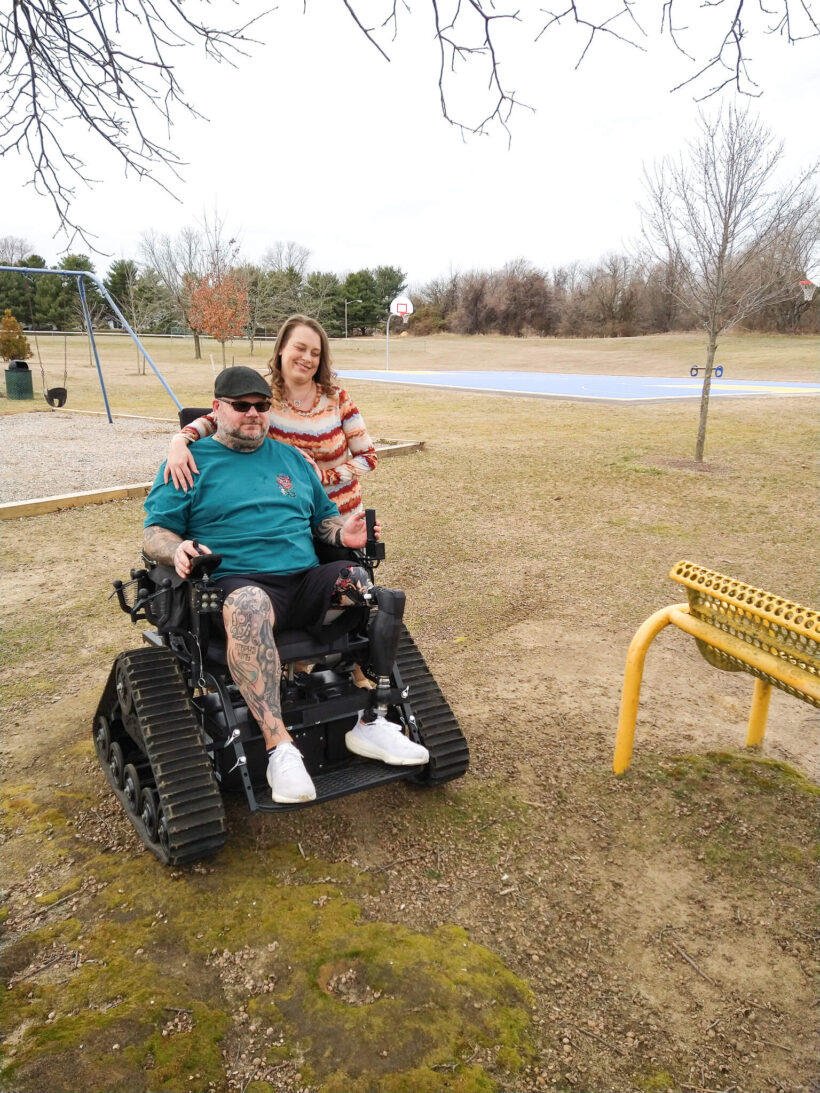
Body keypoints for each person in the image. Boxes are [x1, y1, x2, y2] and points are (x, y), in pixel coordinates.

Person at [143, 365, 428, 805]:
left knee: (362, 584)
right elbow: (154, 531)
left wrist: (343, 534)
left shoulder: (292, 460)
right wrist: (175, 548)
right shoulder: (189, 463)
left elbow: (323, 521)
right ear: (218, 409)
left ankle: (371, 720)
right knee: (250, 604)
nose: (253, 413)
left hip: (304, 580)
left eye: (261, 406)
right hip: (238, 584)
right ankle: (280, 748)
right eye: (241, 406)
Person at [165, 314, 377, 516]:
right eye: (300, 348)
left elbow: (368, 458)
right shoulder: (261, 398)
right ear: (281, 348)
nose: (307, 358)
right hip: (286, 516)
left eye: (315, 353)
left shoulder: (337, 399)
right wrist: (180, 441)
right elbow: (215, 418)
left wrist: (324, 476)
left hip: (339, 515)